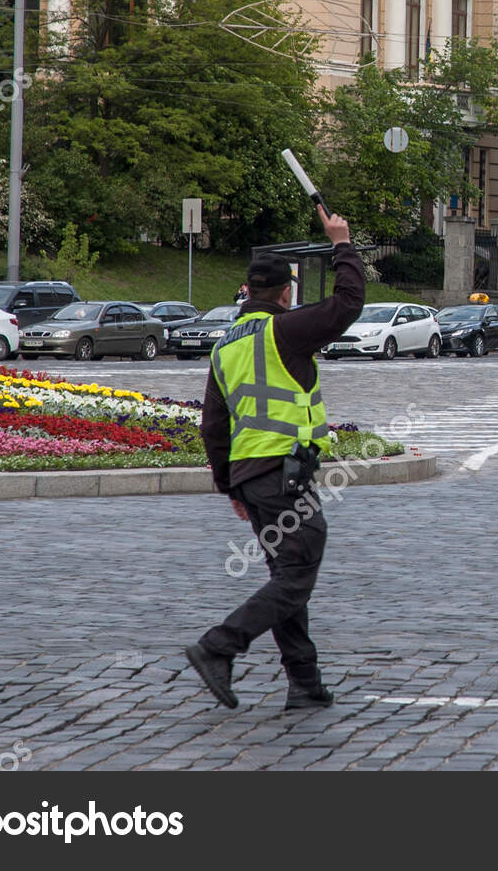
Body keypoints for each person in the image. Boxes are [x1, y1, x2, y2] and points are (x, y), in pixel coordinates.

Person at [185, 207, 363, 712]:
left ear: (246, 290)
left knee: (286, 576)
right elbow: (349, 303)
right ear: (286, 293)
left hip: (253, 479)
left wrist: (229, 487)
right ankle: (218, 647)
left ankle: (304, 684)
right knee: (295, 575)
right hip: (285, 474)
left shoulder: (225, 346)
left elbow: (213, 426)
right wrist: (342, 242)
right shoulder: (286, 330)